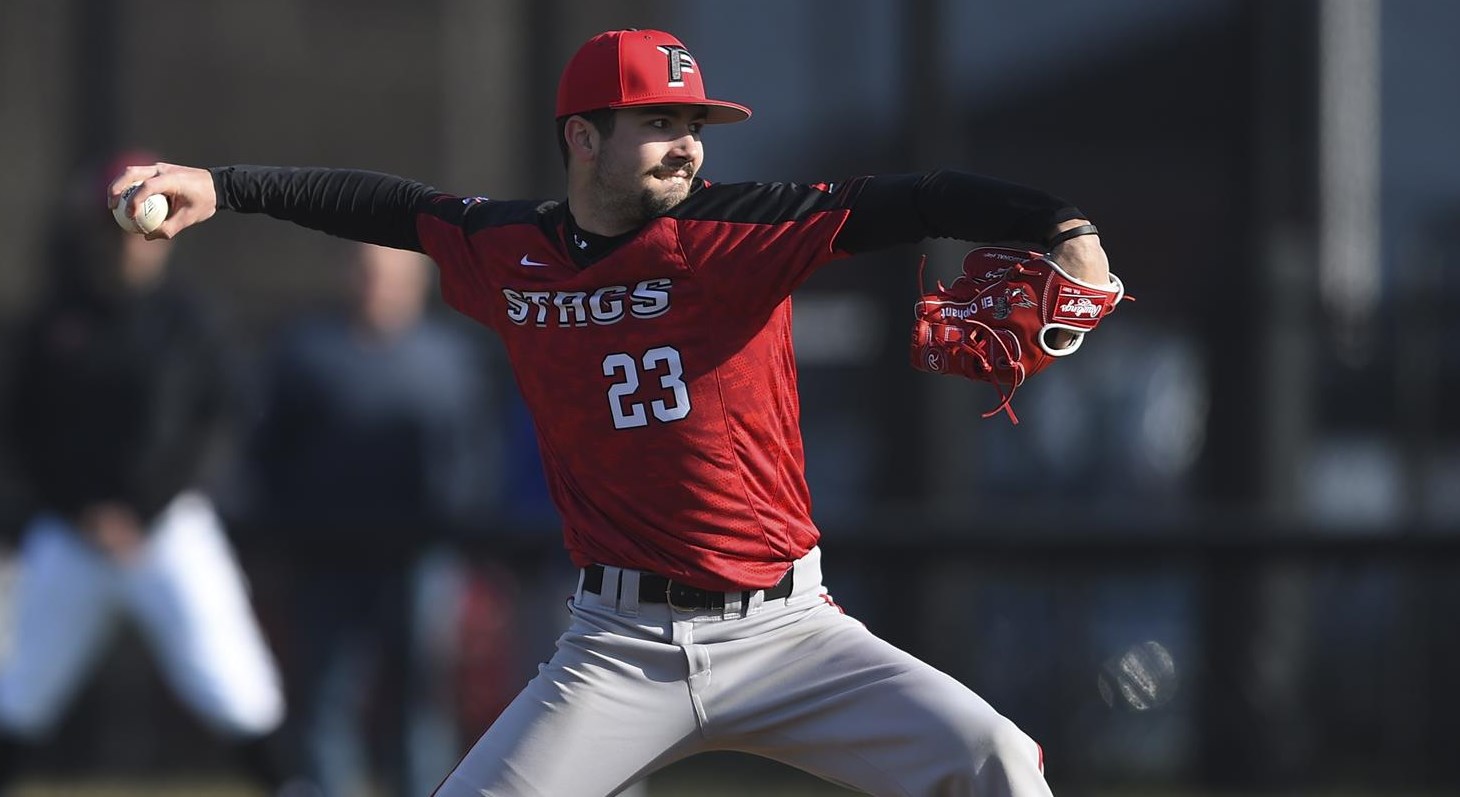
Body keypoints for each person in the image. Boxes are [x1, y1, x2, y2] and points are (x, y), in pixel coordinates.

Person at [110, 29, 1115, 797]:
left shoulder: (739, 229)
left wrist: (1056, 226)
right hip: (619, 645)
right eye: (658, 124)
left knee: (993, 756)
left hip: (792, 632)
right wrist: (222, 186)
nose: (685, 147)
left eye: (691, 125)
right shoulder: (503, 249)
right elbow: (376, 202)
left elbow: (919, 196)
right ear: (582, 138)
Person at [0, 151, 287, 789]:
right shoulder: (53, 319)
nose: (130, 243)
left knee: (235, 684)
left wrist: (145, 508)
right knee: (22, 688)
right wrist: (82, 511)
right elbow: (23, 432)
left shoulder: (190, 319)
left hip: (168, 528)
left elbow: (218, 424)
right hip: (72, 531)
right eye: (116, 225)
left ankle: (293, 785)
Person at [246, 241, 502, 797]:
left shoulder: (453, 357)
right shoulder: (305, 352)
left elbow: (476, 454)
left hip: (421, 560)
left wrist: (463, 529)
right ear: (346, 275)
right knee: (325, 699)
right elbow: (267, 452)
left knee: (421, 702)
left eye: (390, 274)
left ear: (417, 281)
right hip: (326, 559)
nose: (377, 285)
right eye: (366, 272)